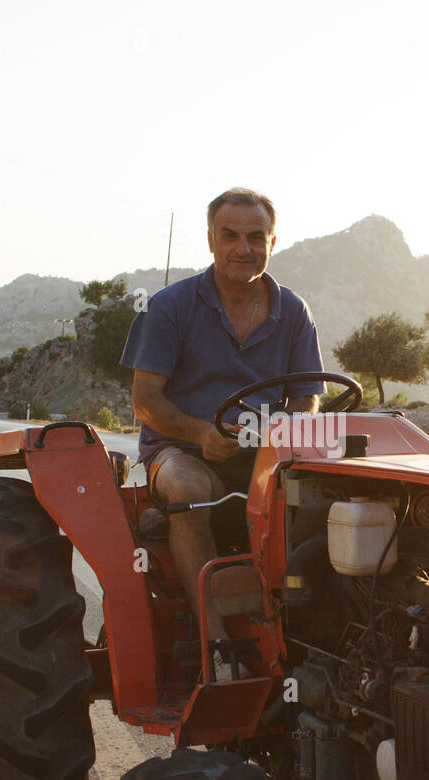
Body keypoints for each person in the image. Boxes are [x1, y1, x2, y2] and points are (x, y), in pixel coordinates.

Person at [120, 187, 325, 664]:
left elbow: (307, 396)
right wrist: (199, 436)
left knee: (336, 495)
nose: (243, 248)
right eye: (230, 235)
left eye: (256, 237)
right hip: (184, 448)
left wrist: (285, 437)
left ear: (272, 243)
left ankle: (312, 637)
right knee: (191, 491)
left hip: (265, 452)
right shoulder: (169, 307)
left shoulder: (293, 311)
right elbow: (145, 401)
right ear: (211, 240)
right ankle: (217, 645)